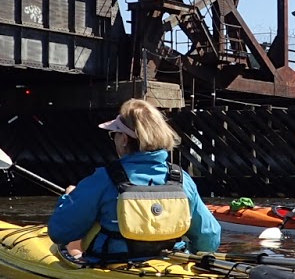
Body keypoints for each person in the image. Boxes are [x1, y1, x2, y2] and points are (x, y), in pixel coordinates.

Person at [48, 97, 221, 262]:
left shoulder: (104, 179)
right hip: (170, 266)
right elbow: (209, 238)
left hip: (111, 268)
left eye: (114, 134)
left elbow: (60, 232)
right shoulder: (182, 180)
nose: (113, 139)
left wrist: (69, 198)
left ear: (124, 140)